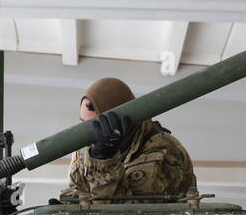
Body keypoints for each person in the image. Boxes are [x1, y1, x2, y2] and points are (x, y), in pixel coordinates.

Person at [57, 77, 197, 203]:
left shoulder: (164, 153)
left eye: (96, 125)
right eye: (84, 124)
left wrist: (104, 161)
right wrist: (68, 205)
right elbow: (78, 186)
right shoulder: (92, 144)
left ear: (117, 121)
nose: (89, 134)